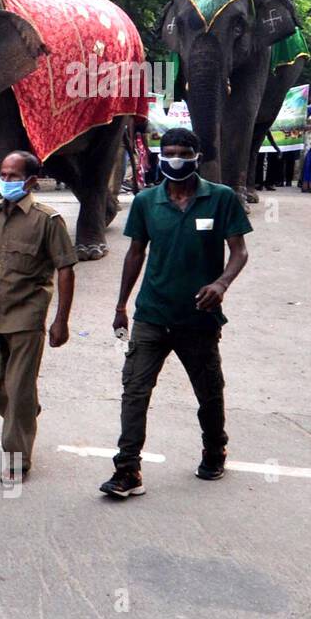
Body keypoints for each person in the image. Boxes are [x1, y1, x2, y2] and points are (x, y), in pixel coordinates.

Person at [100, 128, 251, 498]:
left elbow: (239, 251)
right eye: (168, 153)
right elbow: (135, 253)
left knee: (209, 391)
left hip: (198, 319)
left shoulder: (221, 199)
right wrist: (121, 305)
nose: (175, 159)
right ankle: (127, 470)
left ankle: (215, 449)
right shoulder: (146, 201)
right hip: (151, 315)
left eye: (183, 152)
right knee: (135, 390)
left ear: (197, 156)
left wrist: (221, 284)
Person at [0, 151, 76, 478]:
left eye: (13, 176)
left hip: (26, 316)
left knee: (19, 386)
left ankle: (17, 456)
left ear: (31, 181)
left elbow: (65, 269)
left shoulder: (47, 220)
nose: (5, 181)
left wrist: (61, 319)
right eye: (3, 175)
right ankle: (23, 413)